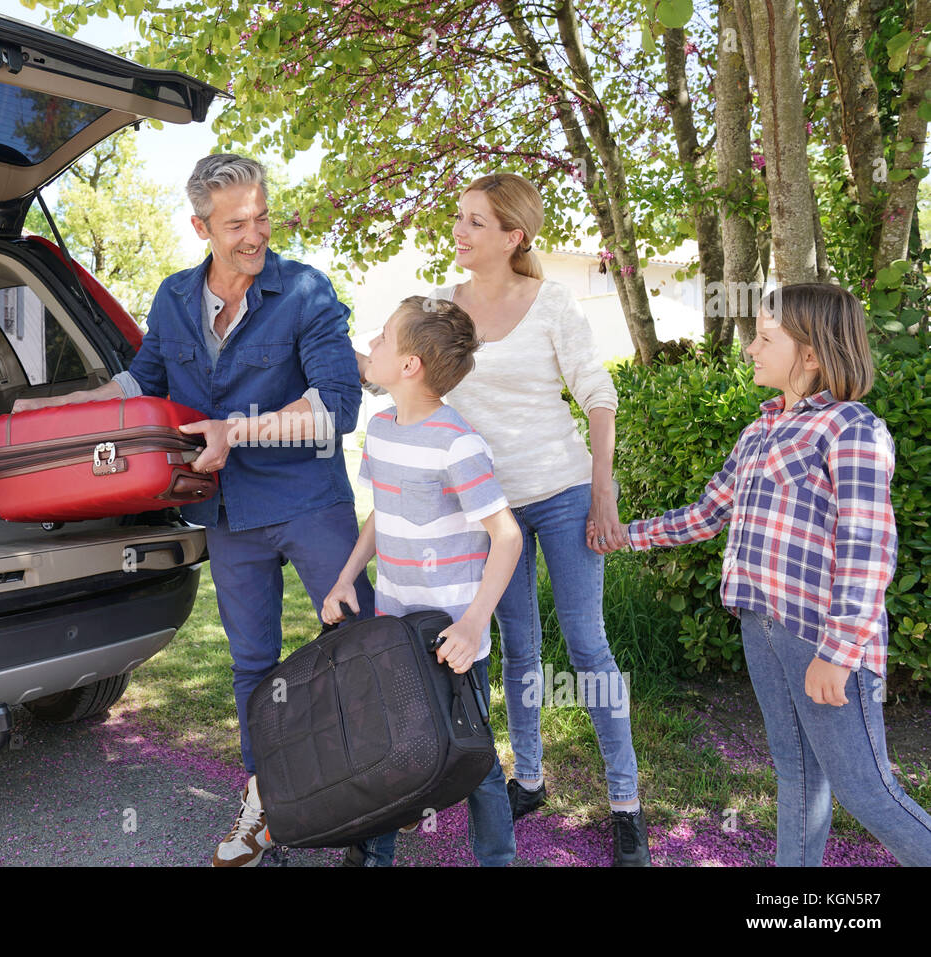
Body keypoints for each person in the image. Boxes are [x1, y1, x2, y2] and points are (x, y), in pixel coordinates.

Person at [14, 154, 374, 867]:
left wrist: (235, 430)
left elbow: (336, 408)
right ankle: (262, 807)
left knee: (359, 652)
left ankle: (372, 816)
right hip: (228, 513)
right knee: (251, 666)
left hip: (309, 503)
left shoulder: (305, 290)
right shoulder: (174, 298)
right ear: (200, 226)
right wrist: (57, 408)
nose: (255, 233)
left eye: (262, 215)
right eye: (236, 222)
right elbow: (139, 385)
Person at [357, 173, 649, 864]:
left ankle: (627, 802)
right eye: (458, 217)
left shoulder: (550, 303)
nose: (458, 230)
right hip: (489, 506)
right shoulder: (442, 307)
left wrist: (602, 490)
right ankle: (529, 777)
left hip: (564, 490)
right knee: (515, 648)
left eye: (476, 221)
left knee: (586, 646)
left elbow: (597, 395)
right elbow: (401, 369)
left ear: (514, 235)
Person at [618, 283, 931, 866]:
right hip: (762, 628)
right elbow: (708, 513)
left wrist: (838, 652)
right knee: (797, 775)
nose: (751, 350)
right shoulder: (760, 432)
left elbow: (869, 547)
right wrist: (620, 535)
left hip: (823, 637)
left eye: (765, 339)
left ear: (810, 355)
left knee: (869, 792)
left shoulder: (849, 428)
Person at [323, 295, 524, 866]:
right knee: (389, 747)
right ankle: (374, 857)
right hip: (395, 625)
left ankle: (497, 859)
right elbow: (381, 515)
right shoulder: (381, 428)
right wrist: (345, 580)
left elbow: (506, 536)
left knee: (472, 757)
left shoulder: (458, 443)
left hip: (452, 638)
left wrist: (472, 622)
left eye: (384, 337)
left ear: (408, 365)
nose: (374, 343)